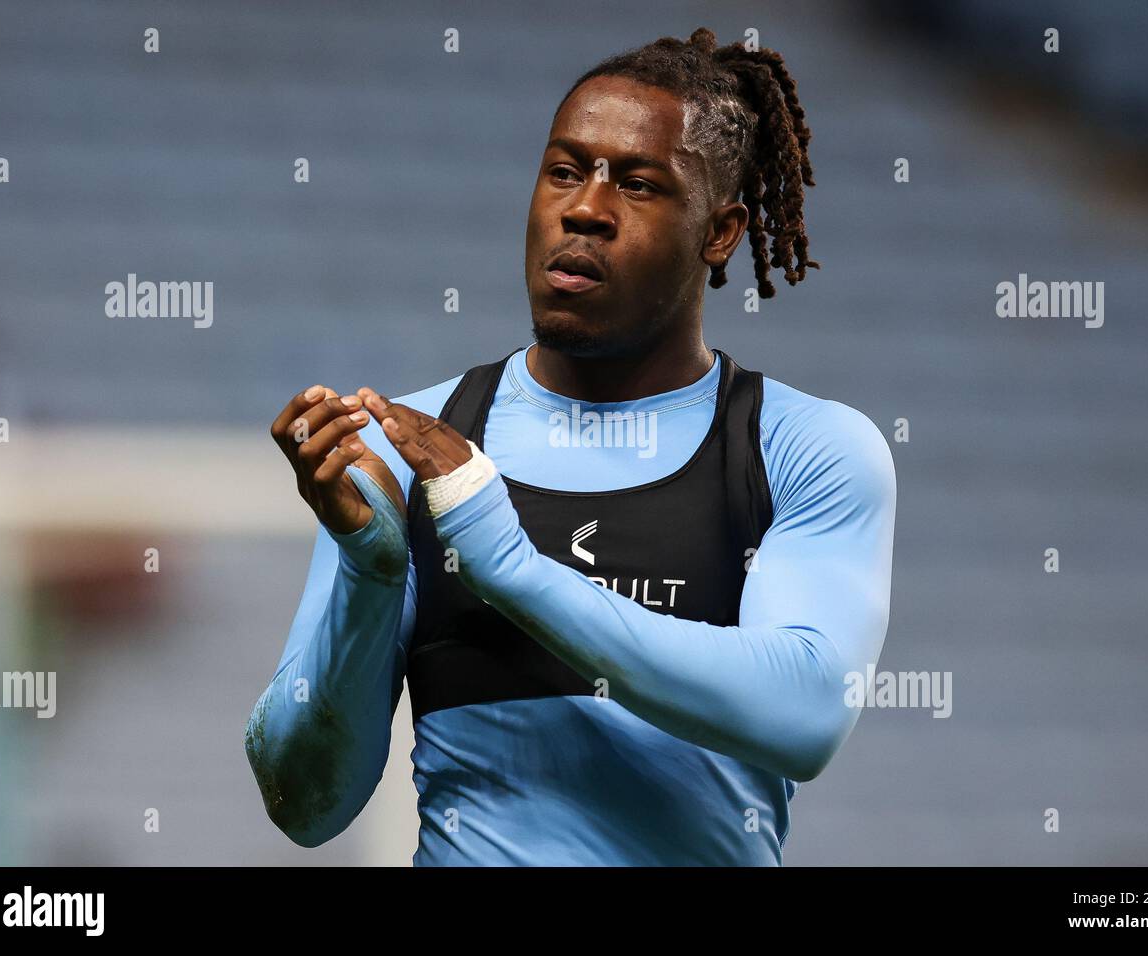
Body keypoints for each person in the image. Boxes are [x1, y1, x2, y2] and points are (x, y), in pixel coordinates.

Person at [246, 28, 896, 865]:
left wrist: (506, 564)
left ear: (721, 231)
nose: (584, 206)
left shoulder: (801, 447)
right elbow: (307, 805)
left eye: (637, 182)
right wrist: (371, 572)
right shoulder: (404, 445)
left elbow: (804, 716)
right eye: (564, 170)